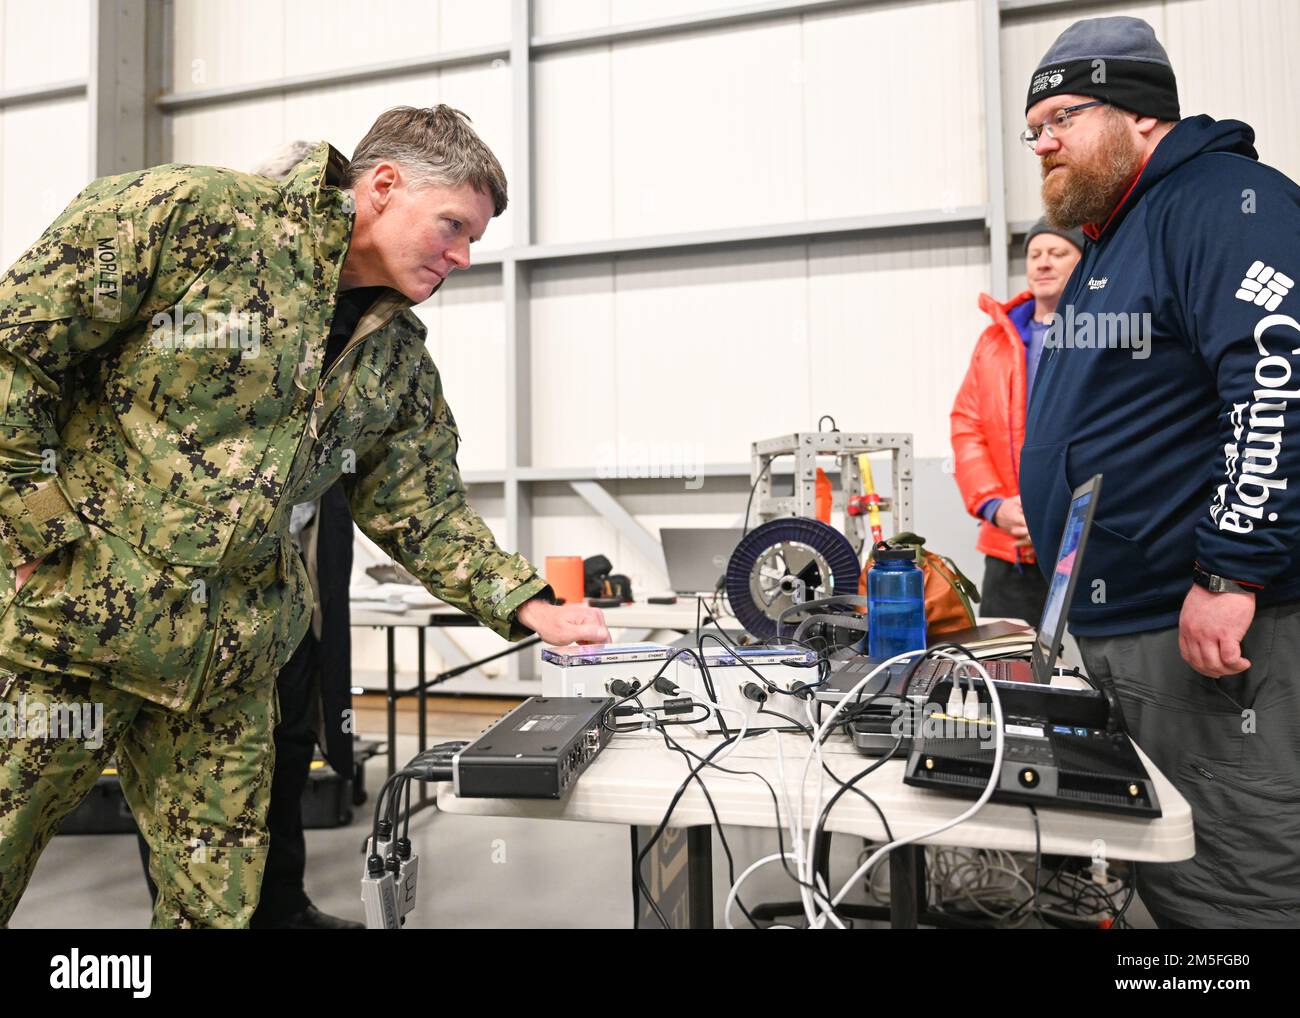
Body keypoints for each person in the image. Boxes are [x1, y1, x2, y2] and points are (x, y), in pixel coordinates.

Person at [0, 105, 609, 928]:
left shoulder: (395, 354)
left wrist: (529, 603)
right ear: (384, 186)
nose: (464, 257)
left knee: (218, 914)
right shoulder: (192, 218)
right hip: (68, 636)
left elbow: (419, 503)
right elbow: (16, 348)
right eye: (454, 225)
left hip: (228, 672)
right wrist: (38, 526)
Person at [1017, 17, 1300, 929]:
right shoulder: (1115, 233)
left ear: (1141, 115)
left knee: (1231, 885)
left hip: (1208, 634)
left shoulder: (1222, 202)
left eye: (1063, 115)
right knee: (1173, 882)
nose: (1044, 142)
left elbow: (1276, 377)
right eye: (1034, 130)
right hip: (1131, 633)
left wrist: (1231, 570)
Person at [951, 218, 1084, 622]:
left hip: (1088, 544)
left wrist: (1071, 510)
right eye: (1035, 254)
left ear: (1085, 262)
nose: (1043, 263)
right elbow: (966, 425)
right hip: (1011, 549)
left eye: (1058, 253)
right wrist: (994, 505)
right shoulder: (994, 341)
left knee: (1110, 674)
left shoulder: (1106, 334)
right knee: (1008, 672)